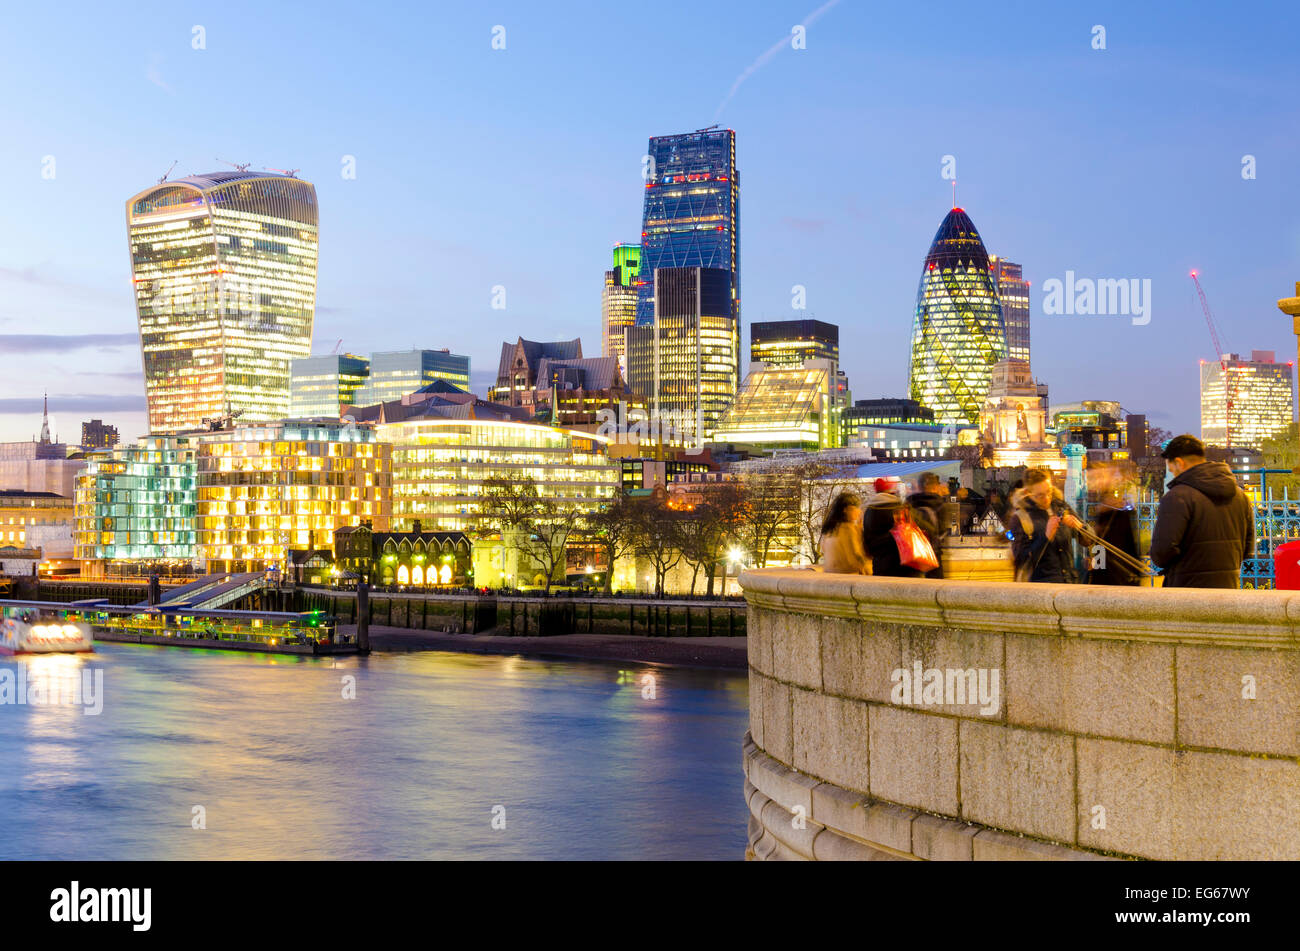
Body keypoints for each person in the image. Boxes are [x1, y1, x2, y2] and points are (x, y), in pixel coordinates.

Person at [1149, 434, 1253, 588]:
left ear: (1179, 463)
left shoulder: (1177, 497)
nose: (1171, 470)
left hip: (1187, 591)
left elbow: (1162, 552)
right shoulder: (1240, 496)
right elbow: (1248, 547)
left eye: (1170, 466)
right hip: (1228, 588)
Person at [1009, 469, 1085, 583]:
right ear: (1027, 493)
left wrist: (1080, 528)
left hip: (1070, 584)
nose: (1047, 498)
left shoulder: (1061, 507)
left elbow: (1090, 539)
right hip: (1043, 588)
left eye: (1049, 492)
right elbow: (1021, 559)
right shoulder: (1020, 518)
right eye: (1040, 495)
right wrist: (1046, 537)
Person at [862, 477, 926, 578]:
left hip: (880, 565)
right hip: (904, 565)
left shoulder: (868, 511)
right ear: (891, 490)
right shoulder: (899, 508)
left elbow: (868, 540)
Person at [908, 472, 951, 578]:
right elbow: (942, 532)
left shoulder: (909, 503)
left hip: (913, 557)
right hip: (933, 556)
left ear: (919, 486)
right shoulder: (940, 505)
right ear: (935, 486)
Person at [819, 492, 871, 575]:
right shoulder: (848, 529)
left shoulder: (829, 529)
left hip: (829, 574)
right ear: (846, 510)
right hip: (848, 576)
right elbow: (855, 558)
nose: (859, 512)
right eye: (856, 508)